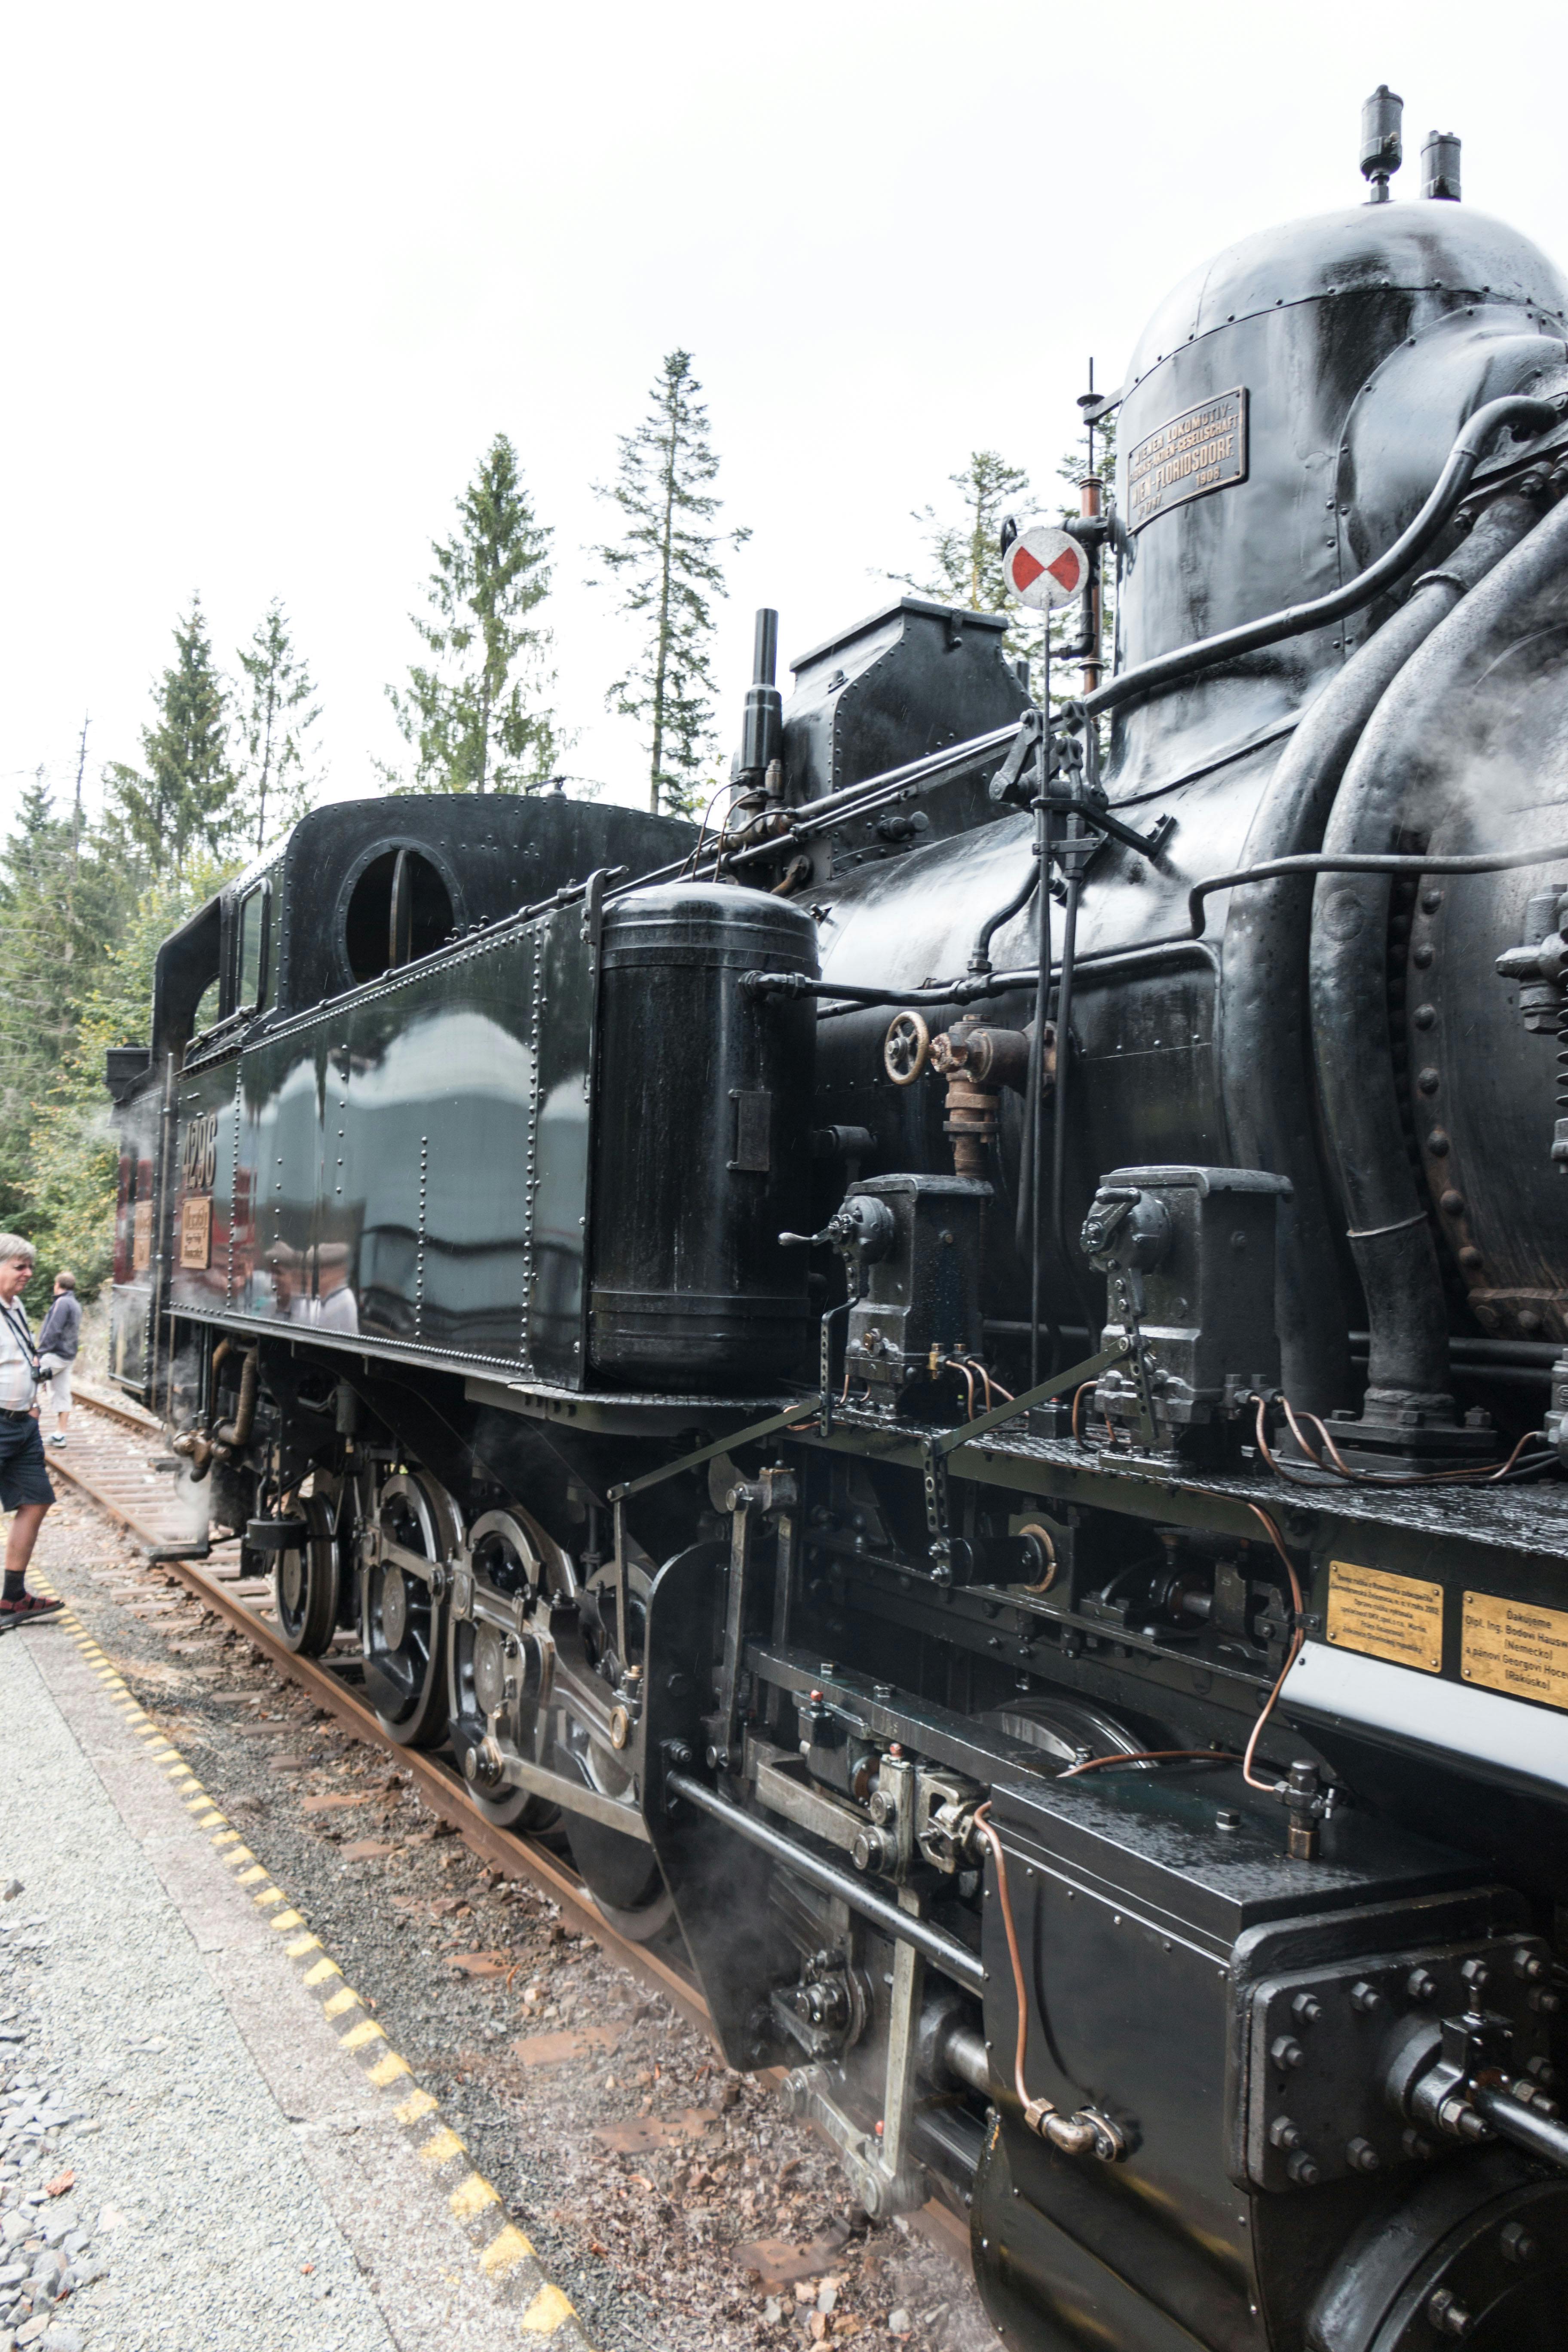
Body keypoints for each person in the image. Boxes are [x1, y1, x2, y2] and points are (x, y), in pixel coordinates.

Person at [0, 1237, 61, 1623]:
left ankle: (12, 1599)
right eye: (20, 1266)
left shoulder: (16, 1306)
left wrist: (33, 1405)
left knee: (36, 1499)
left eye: (30, 1266)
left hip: (23, 1425)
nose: (29, 1274)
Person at [37, 1269, 80, 1448]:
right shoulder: (75, 1304)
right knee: (62, 1394)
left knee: (28, 1383)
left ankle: (19, 1430)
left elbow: (53, 1330)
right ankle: (60, 1435)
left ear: (57, 1285)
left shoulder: (62, 1303)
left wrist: (39, 1354)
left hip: (54, 1357)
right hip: (67, 1357)